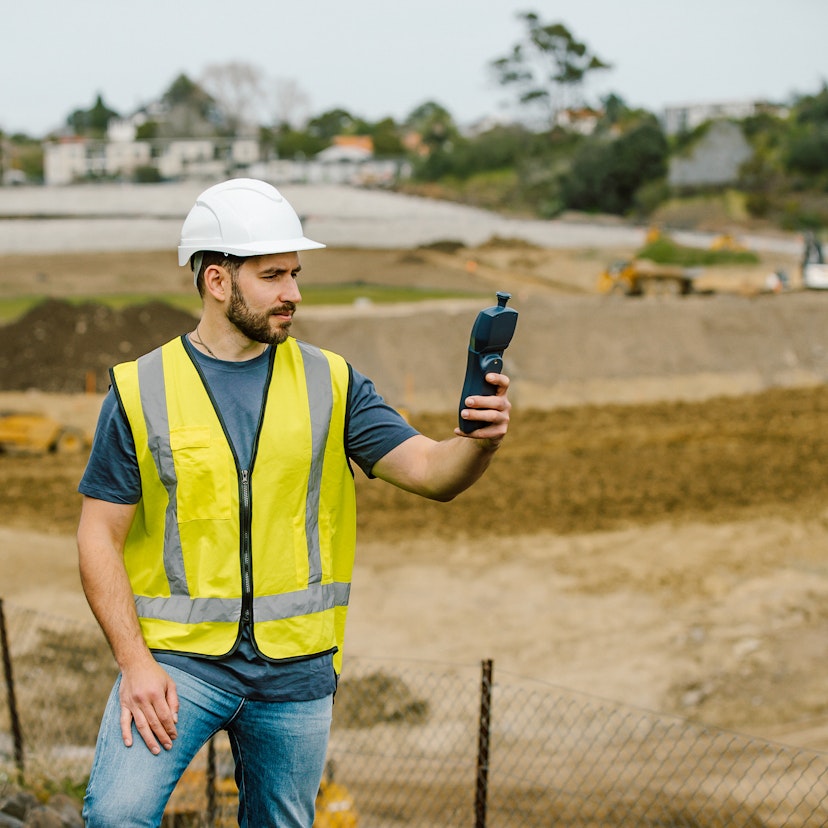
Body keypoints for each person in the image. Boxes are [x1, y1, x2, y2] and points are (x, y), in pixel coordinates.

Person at [76, 178, 511, 827]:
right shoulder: (141, 389)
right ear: (218, 281)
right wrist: (135, 662)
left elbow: (429, 472)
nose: (294, 294)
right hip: (177, 665)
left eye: (296, 273)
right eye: (273, 275)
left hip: (295, 672)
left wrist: (477, 442)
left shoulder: (331, 382)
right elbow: (96, 536)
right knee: (116, 814)